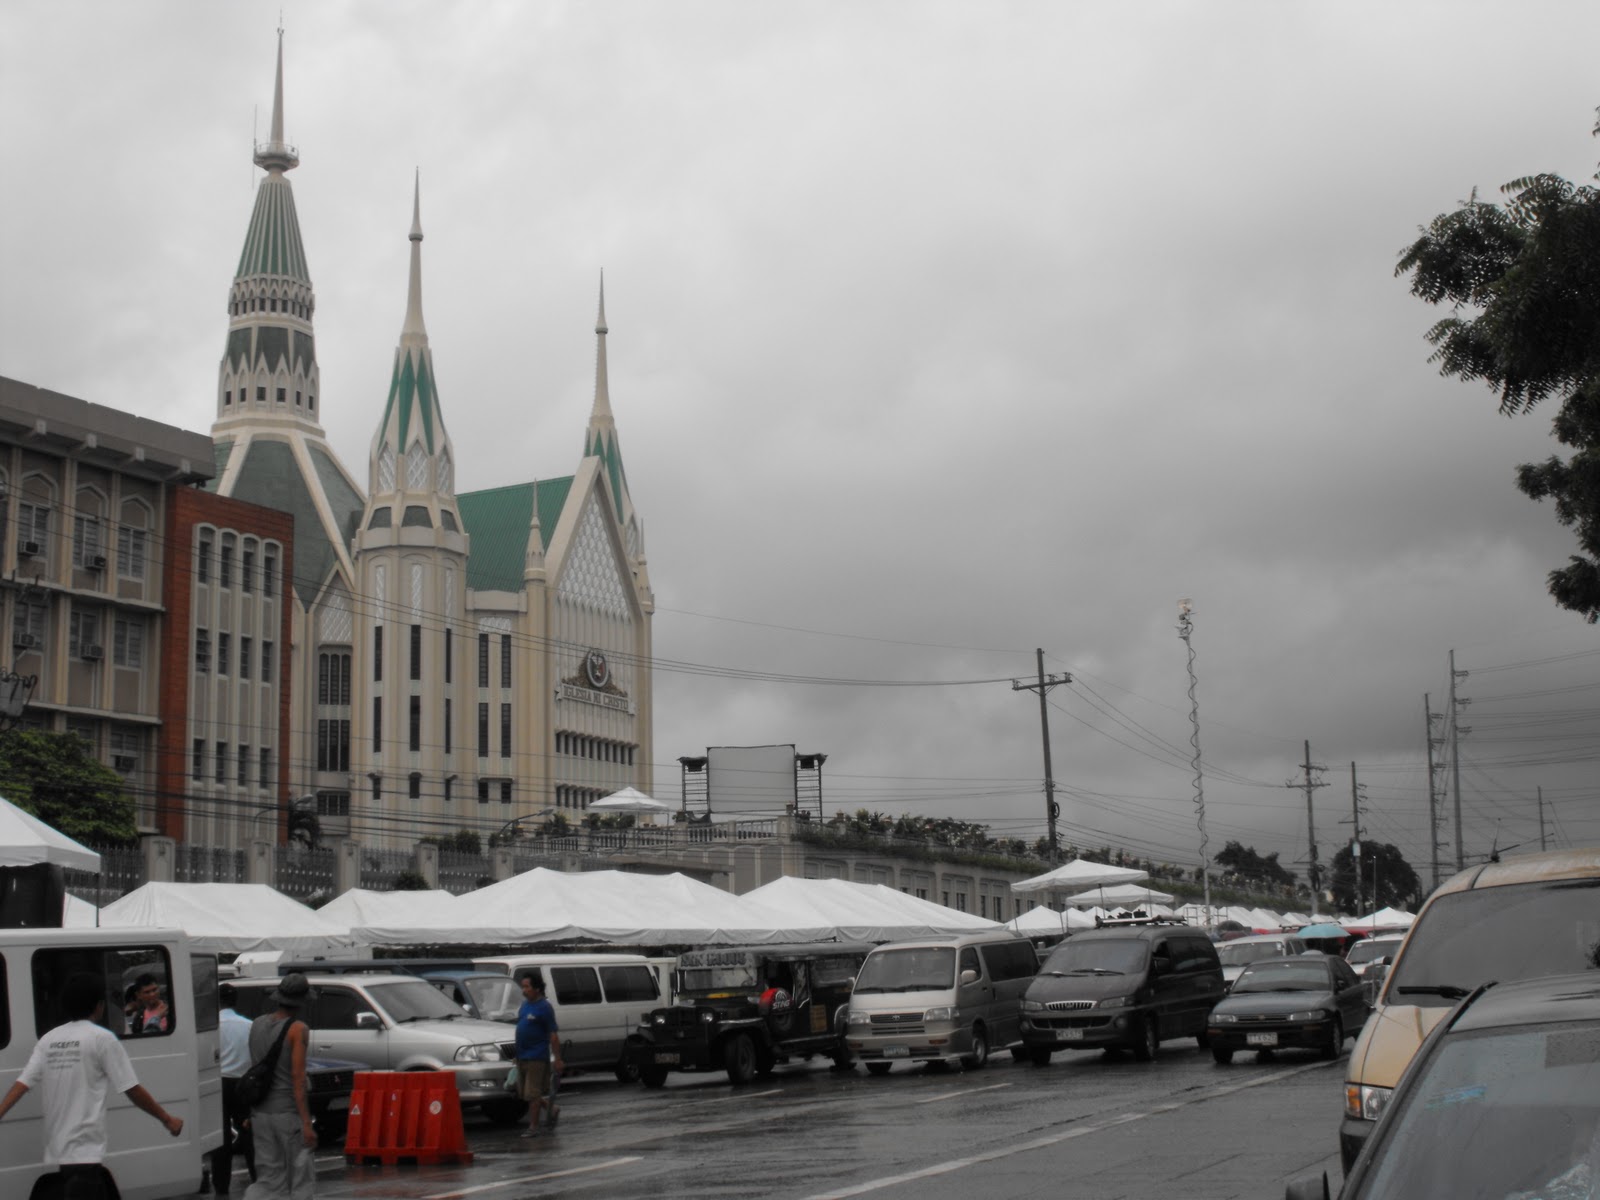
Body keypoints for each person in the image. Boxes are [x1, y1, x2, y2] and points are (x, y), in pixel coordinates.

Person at [0, 971, 184, 1200]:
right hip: (85, 1155)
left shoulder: (48, 1040)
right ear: (99, 1005)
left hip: (62, 1155)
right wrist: (167, 1119)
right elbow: (131, 1089)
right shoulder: (101, 1039)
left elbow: (22, 1084)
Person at [243, 973, 315, 1200]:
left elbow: (256, 1070)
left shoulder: (256, 1024)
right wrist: (306, 1123)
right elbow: (298, 1078)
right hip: (287, 1114)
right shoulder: (298, 1029)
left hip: (260, 1113)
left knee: (268, 1177)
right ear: (302, 1001)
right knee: (299, 1178)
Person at [208, 983, 256, 1195]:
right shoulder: (248, 1025)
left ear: (217, 1001)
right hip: (243, 1082)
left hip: (219, 1083)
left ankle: (221, 1185)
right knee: (248, 1131)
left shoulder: (212, 1025)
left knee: (221, 1136)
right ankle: (257, 1178)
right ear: (235, 1001)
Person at [514, 975, 562, 1136]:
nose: (524, 990)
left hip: (536, 1056)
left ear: (537, 988)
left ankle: (533, 1127)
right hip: (522, 1055)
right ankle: (552, 1108)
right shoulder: (524, 1005)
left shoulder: (545, 1008)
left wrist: (558, 1059)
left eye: (527, 987)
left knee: (533, 1093)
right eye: (523, 987)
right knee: (524, 1092)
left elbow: (553, 1035)